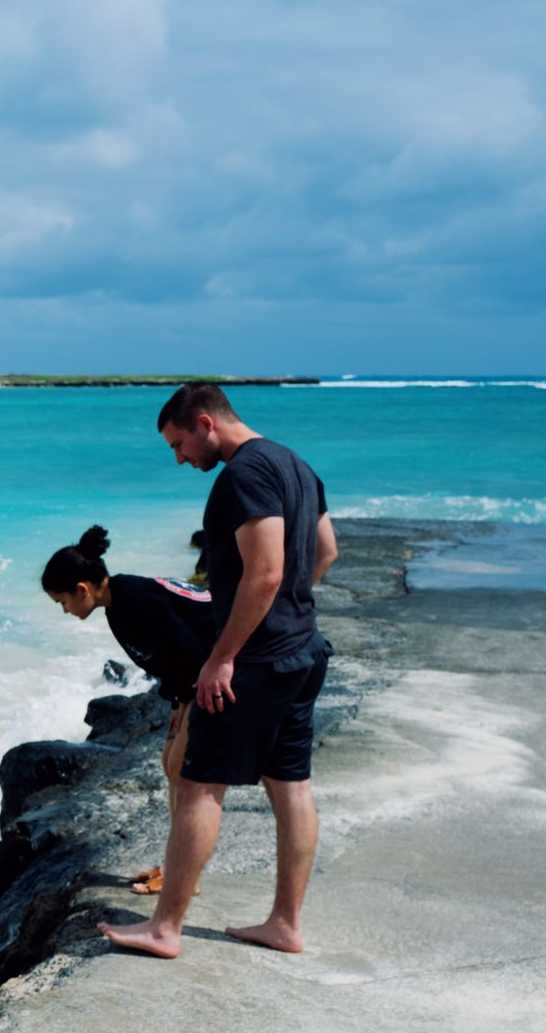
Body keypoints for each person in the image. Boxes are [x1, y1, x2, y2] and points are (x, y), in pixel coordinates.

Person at [106, 383, 335, 957]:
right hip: (302, 651)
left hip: (255, 661)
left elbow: (264, 574)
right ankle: (285, 924)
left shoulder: (243, 475)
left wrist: (223, 656)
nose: (180, 458)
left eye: (180, 443)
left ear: (206, 423)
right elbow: (326, 549)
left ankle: (165, 928)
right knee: (291, 787)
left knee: (197, 784)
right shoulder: (296, 464)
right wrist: (289, 614)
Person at [41, 526, 218, 893]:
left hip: (225, 672)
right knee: (171, 763)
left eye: (63, 602)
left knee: (184, 773)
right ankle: (178, 864)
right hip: (195, 680)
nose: (65, 611)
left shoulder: (134, 600)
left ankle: (186, 876)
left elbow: (190, 650)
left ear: (82, 590)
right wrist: (176, 700)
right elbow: (168, 655)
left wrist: (185, 699)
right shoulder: (120, 600)